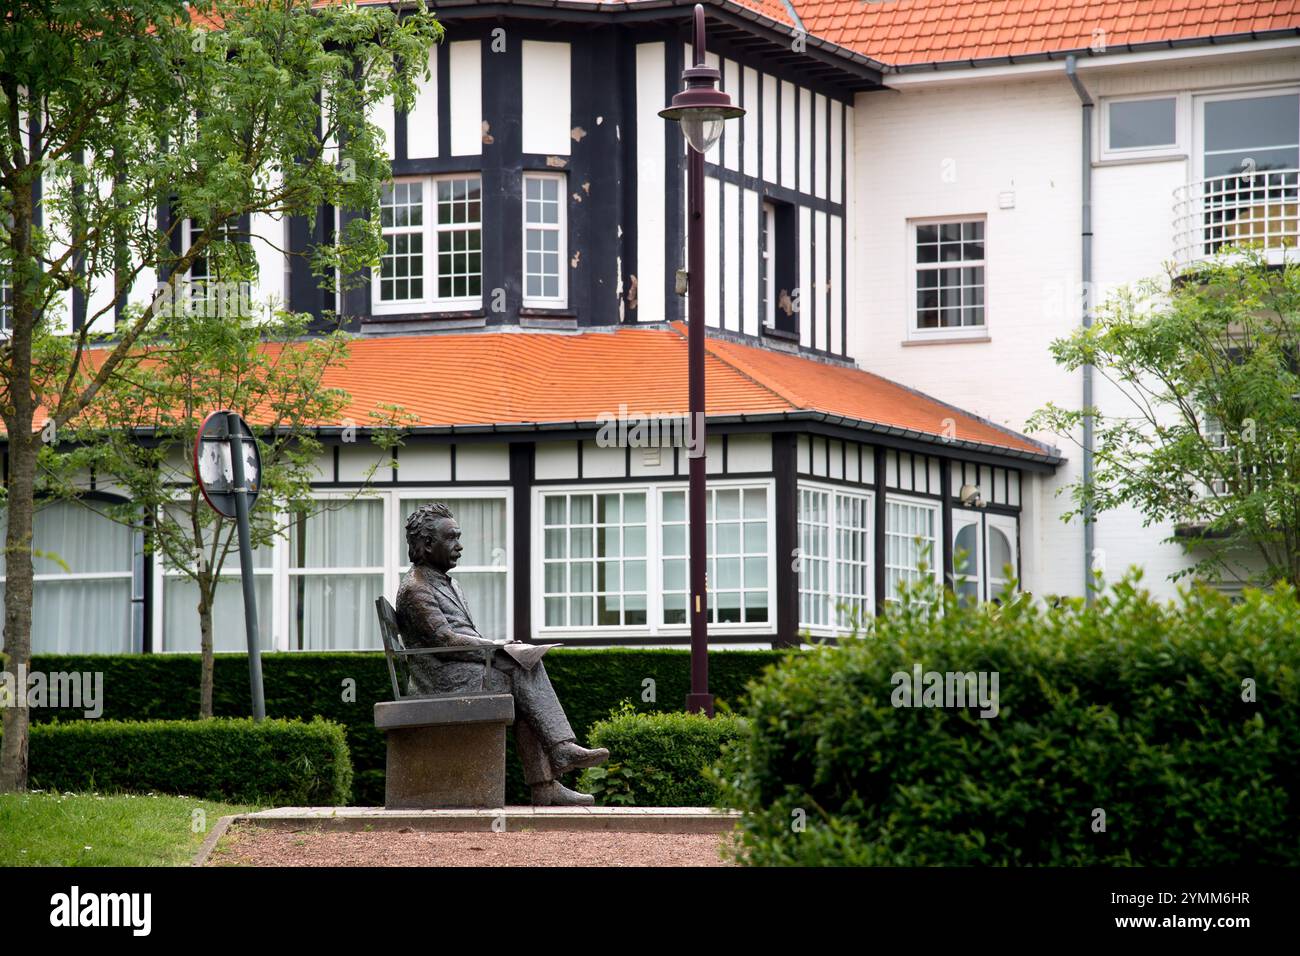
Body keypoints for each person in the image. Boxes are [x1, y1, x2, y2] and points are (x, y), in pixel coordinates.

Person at [395, 502, 609, 806]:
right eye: (452, 538)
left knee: (525, 664)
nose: (460, 546)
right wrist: (495, 647)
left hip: (459, 669)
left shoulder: (449, 584)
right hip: (441, 680)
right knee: (523, 670)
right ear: (428, 544)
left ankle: (553, 770)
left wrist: (499, 648)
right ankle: (554, 763)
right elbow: (443, 640)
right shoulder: (416, 588)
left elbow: (457, 636)